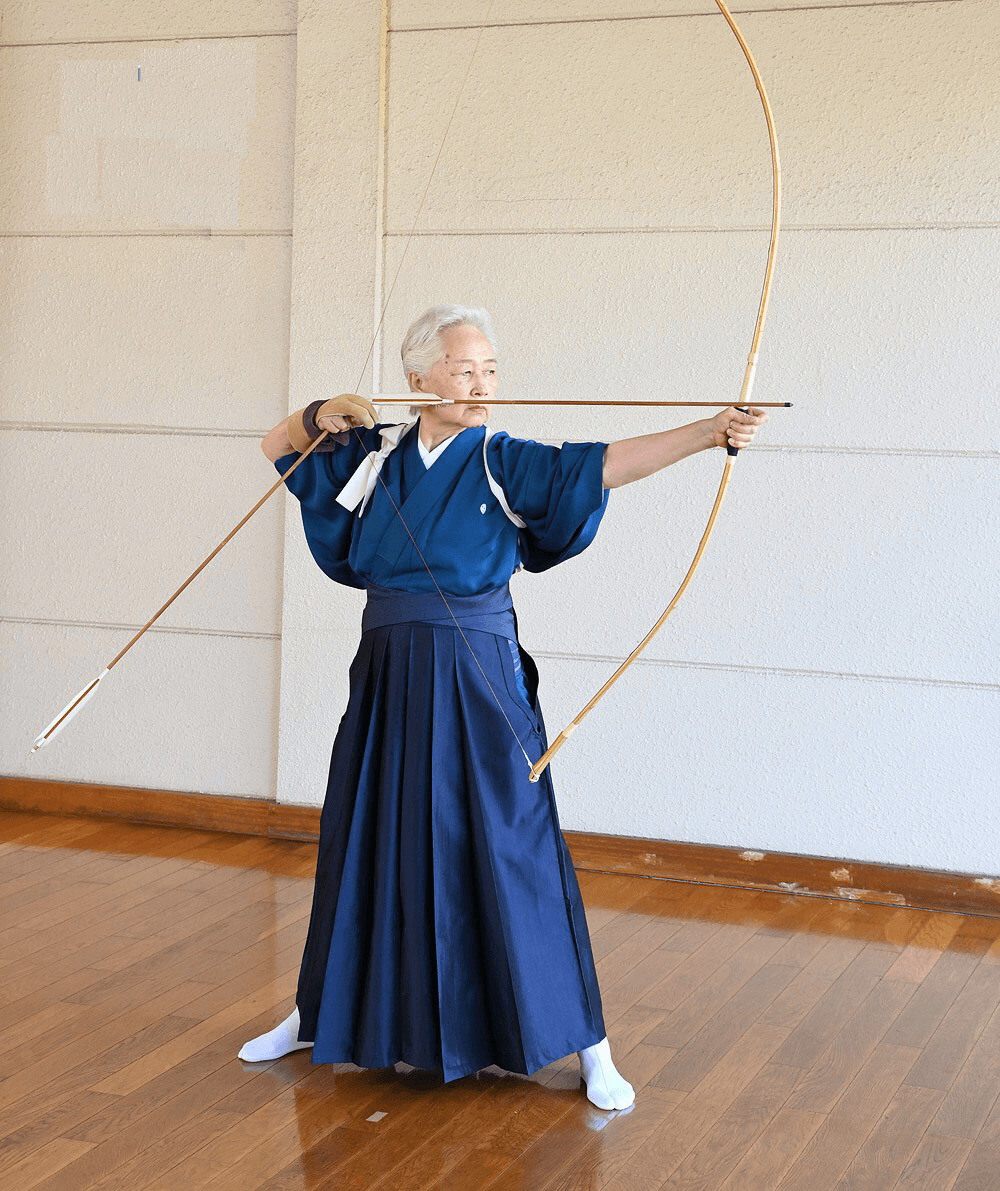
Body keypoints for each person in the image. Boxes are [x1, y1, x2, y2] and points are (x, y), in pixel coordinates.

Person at [240, 304, 766, 1111]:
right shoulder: (375, 455)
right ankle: (322, 1014)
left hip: (476, 673)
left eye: (490, 369)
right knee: (367, 834)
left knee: (512, 845)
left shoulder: (500, 458)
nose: (482, 384)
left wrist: (707, 432)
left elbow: (603, 464)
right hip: (386, 669)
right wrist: (321, 414)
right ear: (418, 379)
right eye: (464, 369)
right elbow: (277, 445)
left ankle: (588, 1042)